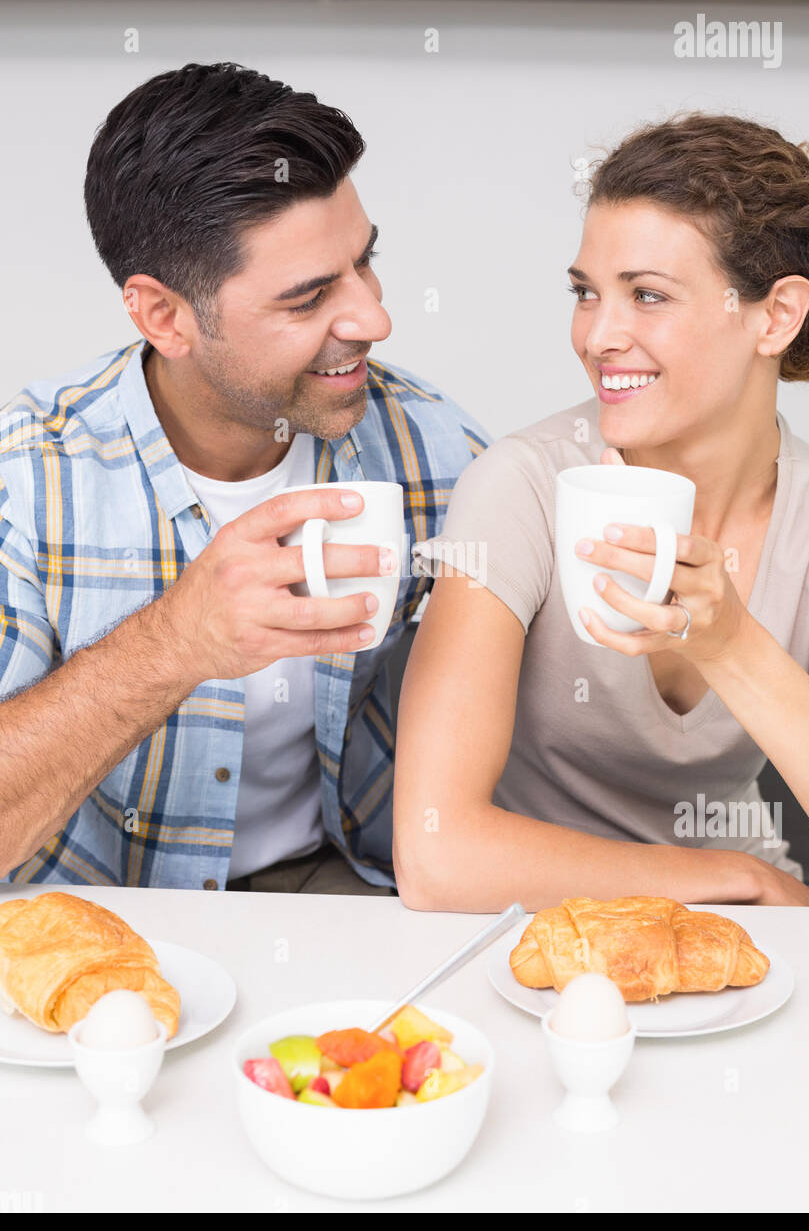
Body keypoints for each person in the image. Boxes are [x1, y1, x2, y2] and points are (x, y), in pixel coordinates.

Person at [0, 61, 489, 893]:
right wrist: (175, 643)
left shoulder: (435, 450)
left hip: (341, 891)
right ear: (165, 316)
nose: (374, 318)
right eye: (307, 298)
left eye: (365, 262)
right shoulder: (30, 481)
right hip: (98, 921)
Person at [394, 111, 809, 912]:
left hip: (760, 930)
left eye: (647, 295)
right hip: (546, 919)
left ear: (776, 315)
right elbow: (436, 856)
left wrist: (730, 643)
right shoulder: (521, 487)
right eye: (586, 293)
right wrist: (740, 879)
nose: (598, 336)